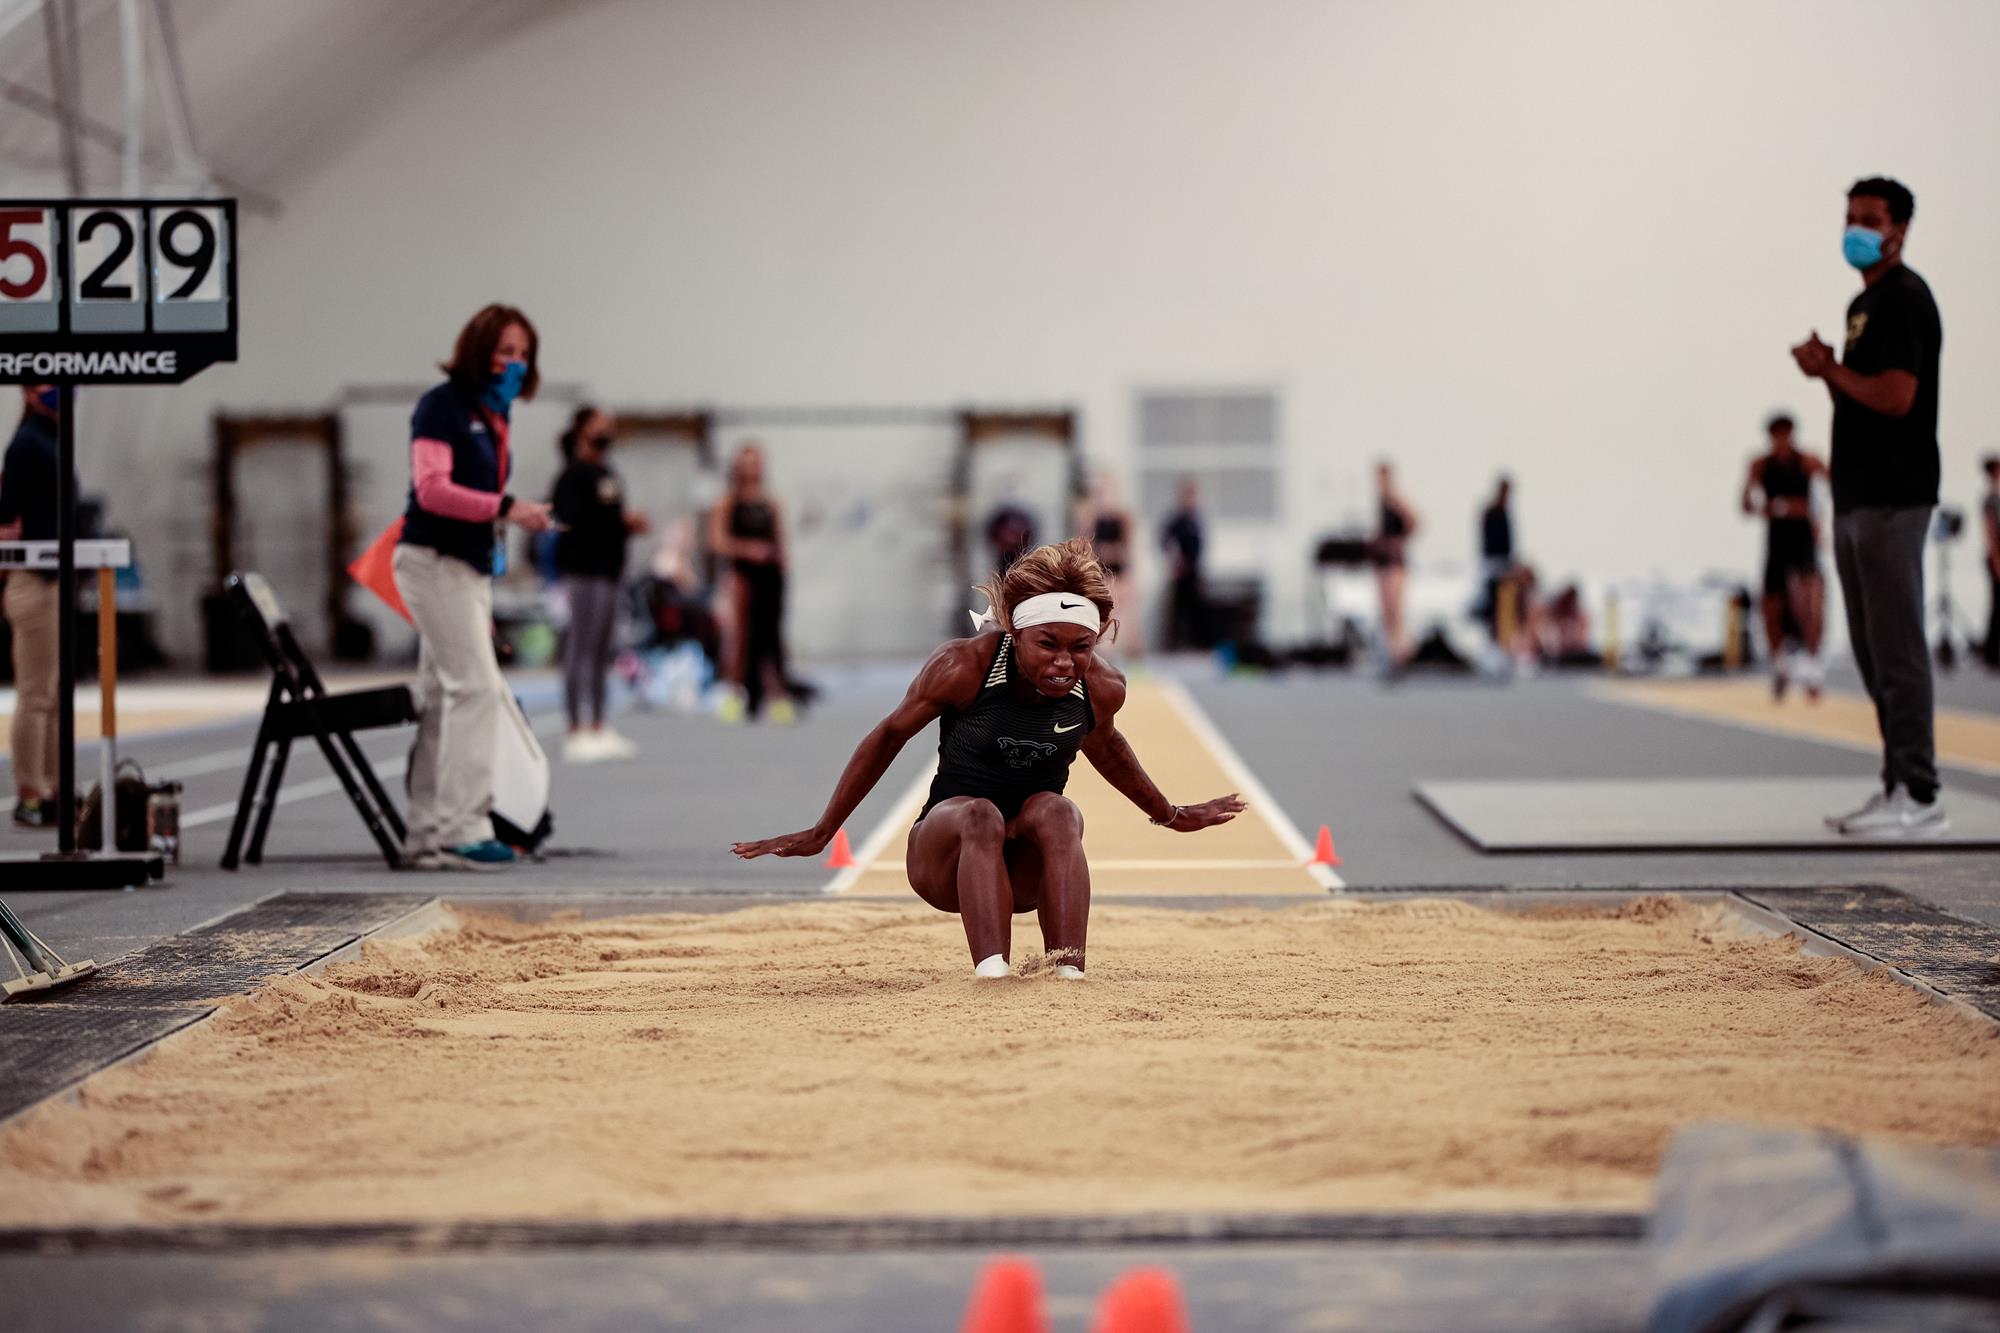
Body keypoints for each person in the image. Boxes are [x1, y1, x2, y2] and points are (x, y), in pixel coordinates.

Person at [731, 538, 1243, 978]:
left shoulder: (1101, 687)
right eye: (1047, 644)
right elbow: (889, 736)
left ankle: (1067, 971)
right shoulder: (963, 667)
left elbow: (1107, 748)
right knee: (982, 813)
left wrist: (1169, 815)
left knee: (1060, 810)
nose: (1065, 662)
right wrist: (824, 831)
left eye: (1080, 647)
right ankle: (991, 974)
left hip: (1024, 871)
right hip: (948, 857)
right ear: (1015, 634)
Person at [1790, 177, 1944, 838]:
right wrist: (1831, 371)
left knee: (1898, 646)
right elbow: (1860, 397)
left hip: (1892, 496)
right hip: (1857, 495)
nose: (1856, 228)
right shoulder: (1865, 303)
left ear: (1899, 229)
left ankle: (1920, 791)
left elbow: (1897, 396)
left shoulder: (1905, 300)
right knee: (1873, 649)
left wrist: (1831, 371)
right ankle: (1895, 784)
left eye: (1870, 218)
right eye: (1849, 217)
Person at [394, 305, 554, 870]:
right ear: (478, 348)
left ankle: (425, 832)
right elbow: (432, 489)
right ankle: (462, 828)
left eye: (523, 354)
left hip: (465, 569)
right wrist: (510, 508)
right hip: (433, 560)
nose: (515, 363)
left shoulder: (495, 414)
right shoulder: (442, 406)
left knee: (443, 698)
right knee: (476, 691)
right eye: (505, 351)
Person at [551, 406, 648, 762]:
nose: (606, 430)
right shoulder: (571, 476)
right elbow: (573, 522)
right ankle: (575, 726)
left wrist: (626, 524)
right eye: (599, 425)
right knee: (581, 647)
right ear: (581, 430)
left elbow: (610, 517)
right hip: (583, 570)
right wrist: (622, 523)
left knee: (603, 648)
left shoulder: (609, 472)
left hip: (609, 570)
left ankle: (599, 724)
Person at [0, 385, 72, 829]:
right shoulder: (28, 443)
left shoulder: (52, 438)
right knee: (37, 693)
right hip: (34, 581)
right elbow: (8, 515)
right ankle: (30, 792)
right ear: (28, 391)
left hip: (53, 580)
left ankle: (53, 787)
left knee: (54, 694)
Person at [1740, 413, 1829, 700]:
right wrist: (1768, 506)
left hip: (1803, 540)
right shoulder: (1760, 465)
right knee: (1771, 605)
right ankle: (1780, 663)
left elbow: (1831, 487)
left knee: (1809, 602)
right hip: (1777, 541)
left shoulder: (1807, 462)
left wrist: (1810, 517)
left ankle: (1813, 662)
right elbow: (1746, 505)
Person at [708, 443, 797, 724]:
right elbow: (716, 541)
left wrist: (781, 557)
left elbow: (779, 539)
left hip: (771, 577)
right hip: (743, 576)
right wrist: (747, 550)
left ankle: (778, 697)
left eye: (757, 461)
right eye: (747, 462)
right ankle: (735, 694)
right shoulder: (727, 501)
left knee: (772, 638)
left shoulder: (770, 501)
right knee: (741, 639)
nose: (753, 468)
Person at [1075, 470, 1139, 655]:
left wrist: (1126, 565)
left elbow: (1129, 548)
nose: (1102, 495)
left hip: (1119, 572)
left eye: (1105, 490)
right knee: (1103, 613)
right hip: (1100, 572)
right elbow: (1085, 544)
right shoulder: (1091, 516)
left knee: (1125, 615)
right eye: (1098, 491)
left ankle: (1131, 652)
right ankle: (1104, 652)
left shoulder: (1123, 516)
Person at [1370, 461, 1420, 670]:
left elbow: (1415, 521)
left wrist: (1398, 542)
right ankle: (1392, 652)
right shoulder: (1381, 500)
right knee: (1387, 613)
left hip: (1394, 564)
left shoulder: (1394, 499)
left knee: (1395, 611)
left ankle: (1402, 652)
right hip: (1382, 563)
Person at [1159, 478, 1206, 651]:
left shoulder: (1196, 519)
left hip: (1194, 572)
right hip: (1179, 573)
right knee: (1177, 611)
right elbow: (1166, 543)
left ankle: (1194, 643)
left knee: (1195, 610)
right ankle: (1174, 645)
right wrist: (1174, 560)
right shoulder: (1175, 521)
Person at [1478, 476, 1514, 637]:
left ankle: (1504, 636)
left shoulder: (1505, 512)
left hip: (1503, 565)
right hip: (1494, 566)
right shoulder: (1491, 512)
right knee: (1494, 605)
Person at [1982, 456, 2000, 671]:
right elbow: (1989, 529)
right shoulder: (1990, 499)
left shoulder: (1994, 497)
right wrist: (1996, 559)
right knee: (1996, 606)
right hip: (1995, 557)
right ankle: (1990, 653)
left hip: (1995, 556)